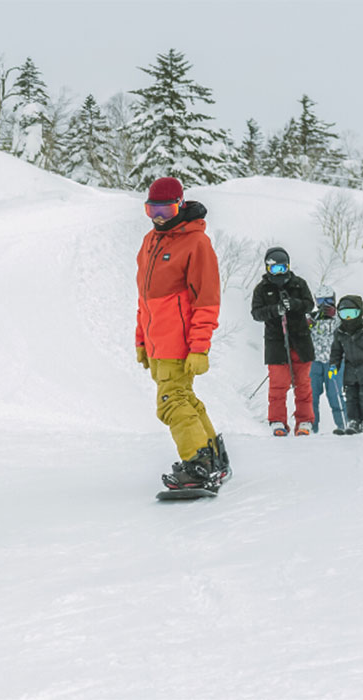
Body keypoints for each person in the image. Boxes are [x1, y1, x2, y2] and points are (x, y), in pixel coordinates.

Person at [134, 176, 229, 491]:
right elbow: (144, 301)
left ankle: (197, 463)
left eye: (166, 209)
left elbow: (207, 301)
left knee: (170, 402)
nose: (159, 217)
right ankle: (214, 457)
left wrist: (200, 348)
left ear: (180, 205)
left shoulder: (196, 243)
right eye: (152, 210)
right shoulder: (150, 242)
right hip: (158, 343)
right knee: (184, 397)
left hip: (180, 343)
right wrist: (142, 341)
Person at [250, 247, 315, 436]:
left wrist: (294, 305)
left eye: (282, 268)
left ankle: (304, 421)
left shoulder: (298, 284)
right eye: (274, 270)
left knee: (303, 384)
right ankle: (277, 421)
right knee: (278, 384)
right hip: (276, 343)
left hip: (300, 341)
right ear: (267, 268)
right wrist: (274, 310)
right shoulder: (262, 289)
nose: (279, 273)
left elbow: (309, 305)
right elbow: (256, 313)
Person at [328, 295, 363, 433]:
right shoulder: (340, 332)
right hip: (350, 371)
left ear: (359, 312)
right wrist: (333, 366)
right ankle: (353, 421)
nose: (348, 318)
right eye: (344, 314)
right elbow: (336, 351)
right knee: (351, 397)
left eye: (351, 314)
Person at [308, 284, 346, 434]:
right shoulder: (312, 317)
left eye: (328, 300)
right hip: (314, 361)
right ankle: (311, 427)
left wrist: (335, 315)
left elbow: (346, 329)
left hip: (334, 362)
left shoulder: (340, 318)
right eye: (321, 301)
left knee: (335, 394)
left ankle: (344, 425)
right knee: (312, 395)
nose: (325, 305)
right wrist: (307, 325)